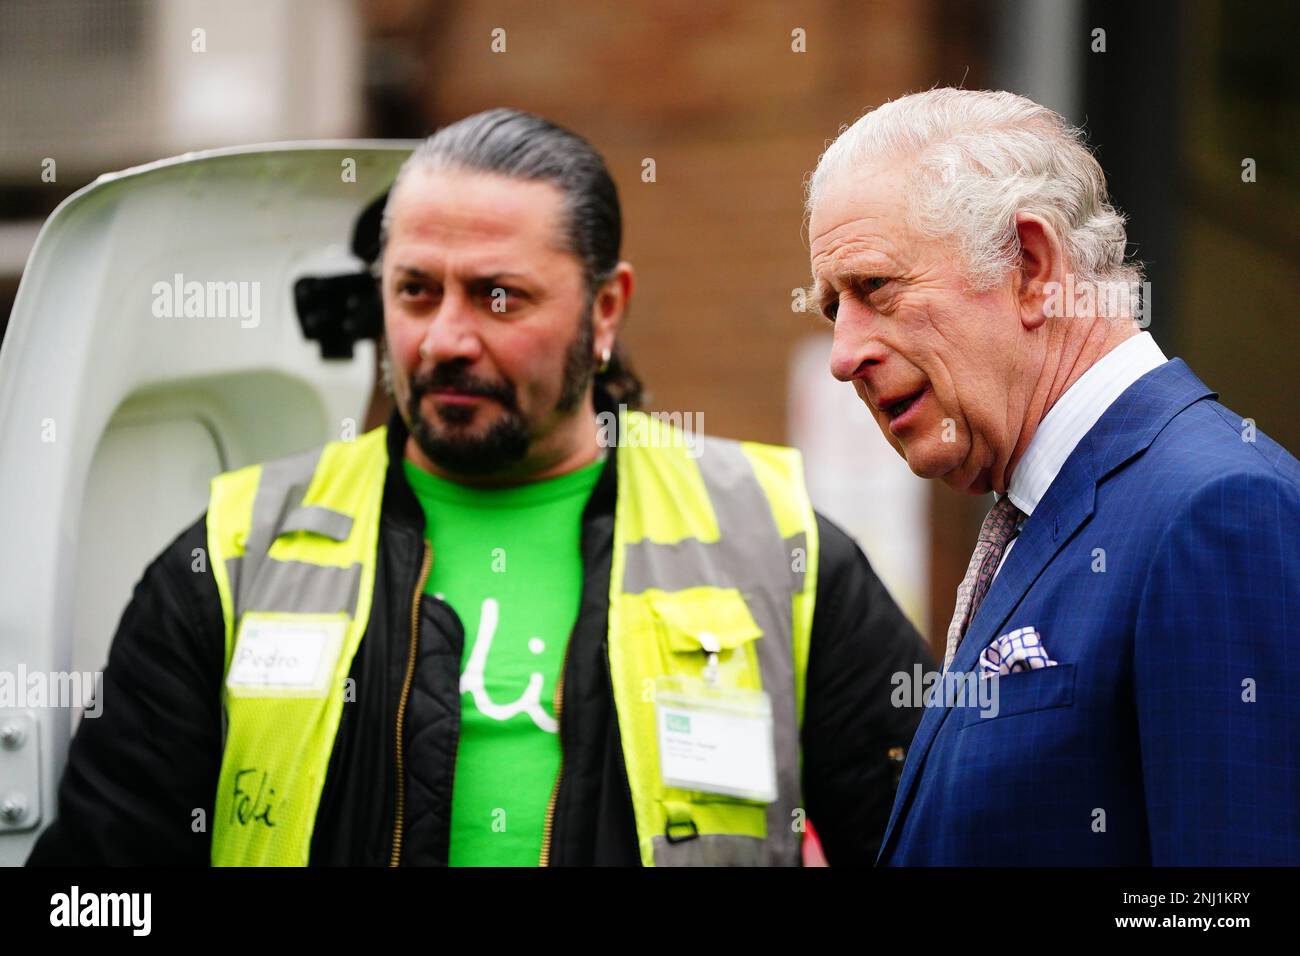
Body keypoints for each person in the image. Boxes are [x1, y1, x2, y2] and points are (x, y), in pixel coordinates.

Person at [28, 108, 930, 867]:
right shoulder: (237, 551)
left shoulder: (774, 548)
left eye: (498, 297)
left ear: (605, 308)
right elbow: (101, 883)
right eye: (417, 292)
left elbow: (932, 837)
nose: (447, 338)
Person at [805, 87, 1300, 866]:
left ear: (1033, 268)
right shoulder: (1054, 512)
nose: (843, 355)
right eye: (832, 306)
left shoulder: (1217, 509)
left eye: (875, 289)